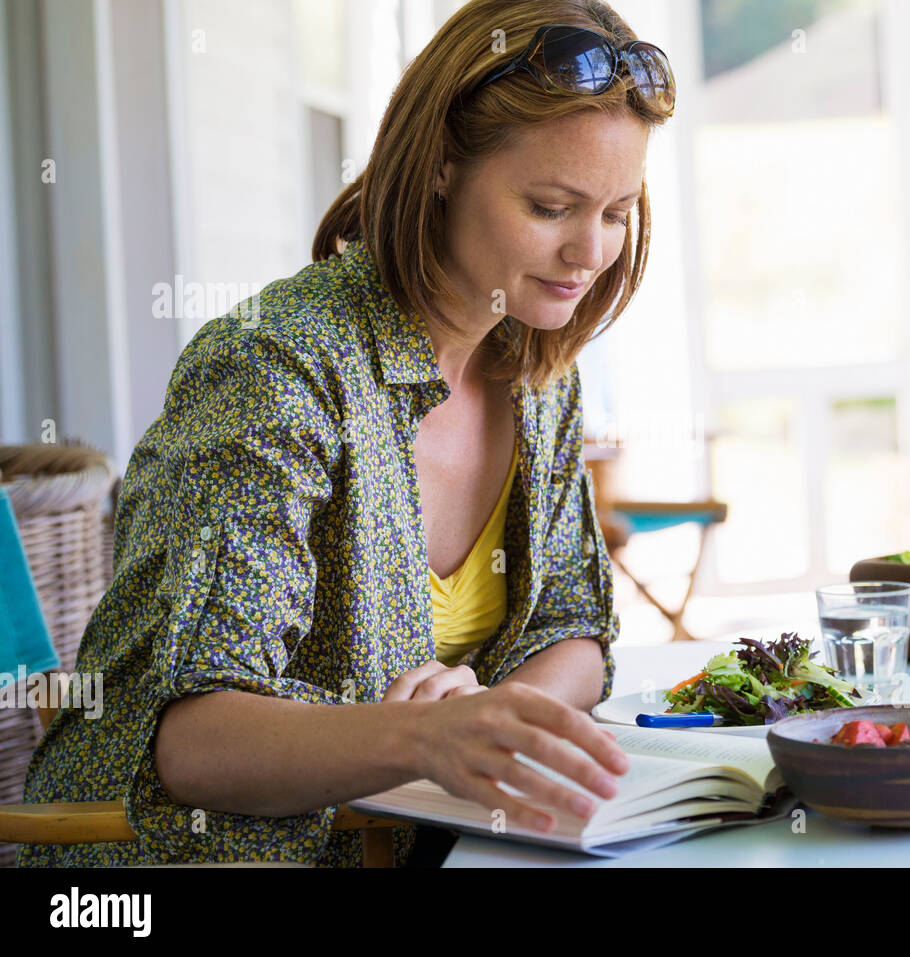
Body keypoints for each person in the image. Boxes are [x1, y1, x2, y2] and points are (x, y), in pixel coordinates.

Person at [18, 0, 675, 867]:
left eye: (618, 211)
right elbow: (191, 739)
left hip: (413, 842)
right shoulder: (274, 368)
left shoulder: (535, 368)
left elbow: (575, 631)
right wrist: (422, 737)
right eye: (552, 206)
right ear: (442, 165)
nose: (590, 253)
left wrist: (491, 718)